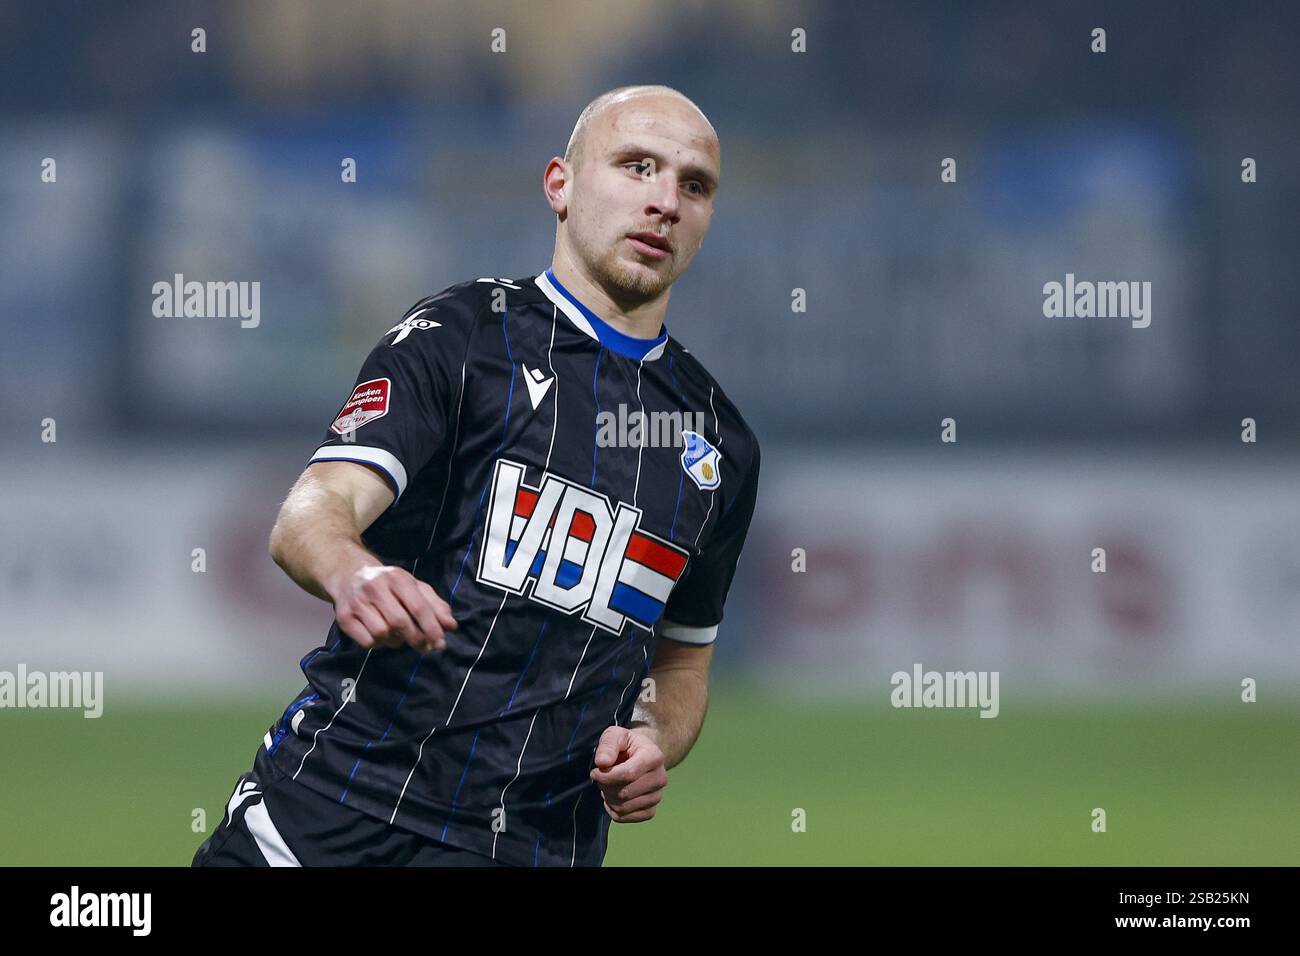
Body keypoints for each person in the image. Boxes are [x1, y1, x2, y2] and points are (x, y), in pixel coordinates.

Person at [193, 84, 761, 867]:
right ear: (559, 184)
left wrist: (653, 736)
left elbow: (684, 658)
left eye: (693, 185)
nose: (664, 200)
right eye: (636, 167)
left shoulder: (719, 444)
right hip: (332, 811)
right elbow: (312, 511)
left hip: (530, 848)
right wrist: (354, 573)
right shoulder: (461, 338)